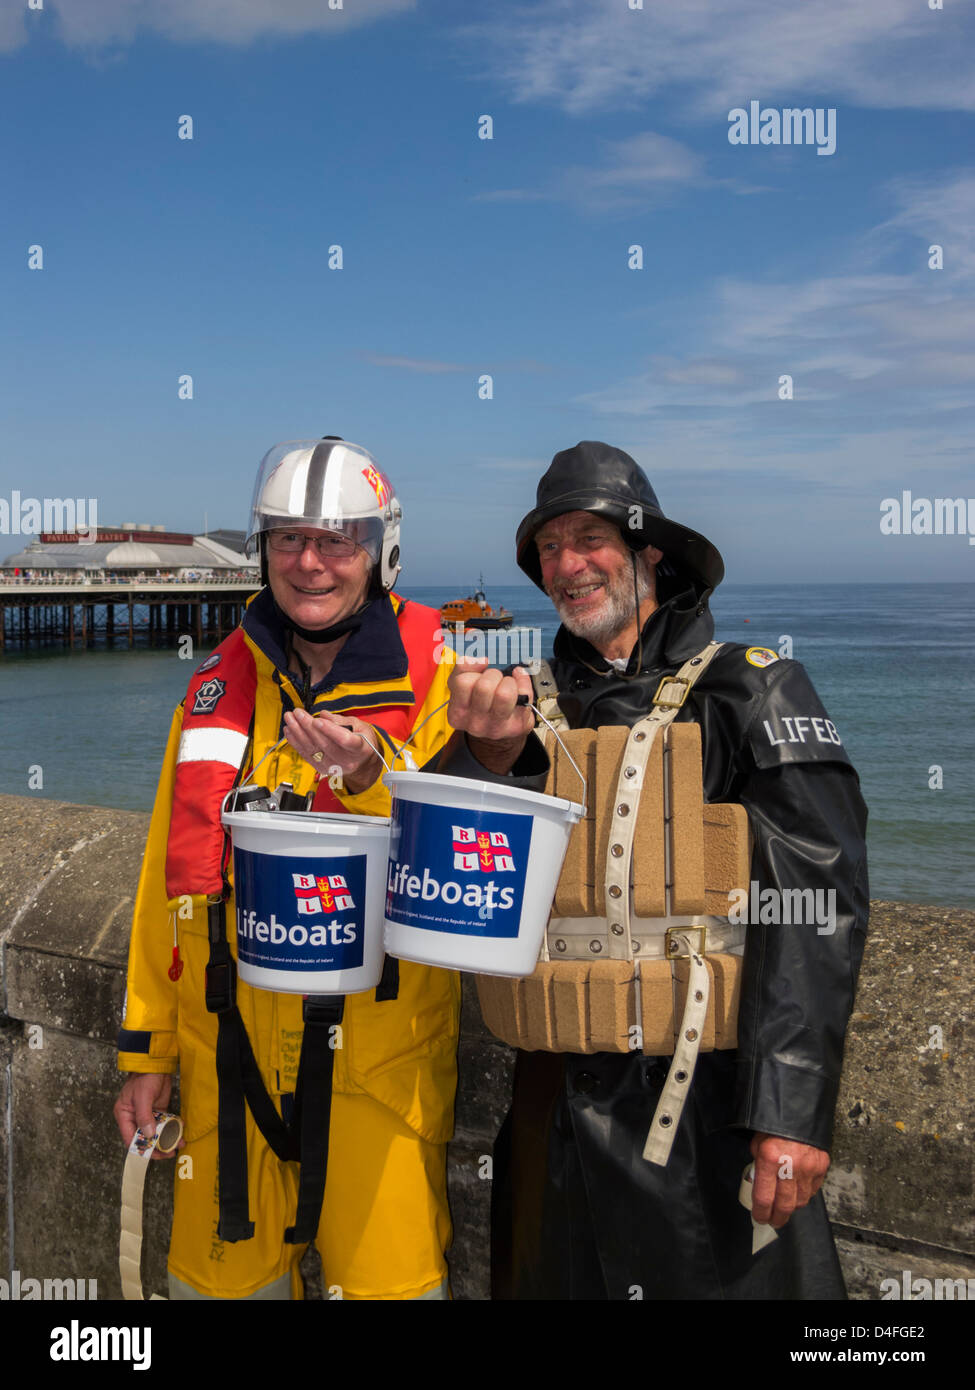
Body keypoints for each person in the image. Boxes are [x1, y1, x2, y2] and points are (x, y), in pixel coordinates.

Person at [445, 440, 869, 1300]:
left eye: (587, 540)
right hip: (549, 1123)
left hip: (705, 1121)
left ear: (649, 557)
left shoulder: (754, 692)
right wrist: (482, 763)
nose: (565, 565)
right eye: (548, 549)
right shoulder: (515, 717)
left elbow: (817, 903)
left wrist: (787, 1112)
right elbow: (453, 892)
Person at [114, 437, 461, 1300]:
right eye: (287, 540)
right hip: (224, 1061)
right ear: (260, 548)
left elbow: (471, 865)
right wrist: (147, 1049)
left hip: (376, 1077)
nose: (310, 563)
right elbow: (168, 886)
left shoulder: (445, 681)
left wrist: (373, 776)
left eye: (337, 540)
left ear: (380, 550)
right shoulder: (211, 691)